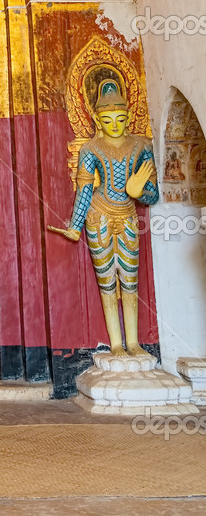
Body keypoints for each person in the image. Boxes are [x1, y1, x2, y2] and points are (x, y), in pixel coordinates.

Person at [49, 79, 159, 355]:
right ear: (97, 119)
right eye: (108, 119)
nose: (115, 125)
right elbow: (85, 189)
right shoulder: (91, 150)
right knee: (107, 279)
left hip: (128, 216)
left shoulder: (141, 146)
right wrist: (75, 225)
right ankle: (117, 344)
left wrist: (137, 191)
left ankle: (133, 342)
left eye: (120, 119)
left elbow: (153, 195)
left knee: (130, 279)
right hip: (98, 216)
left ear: (129, 117)